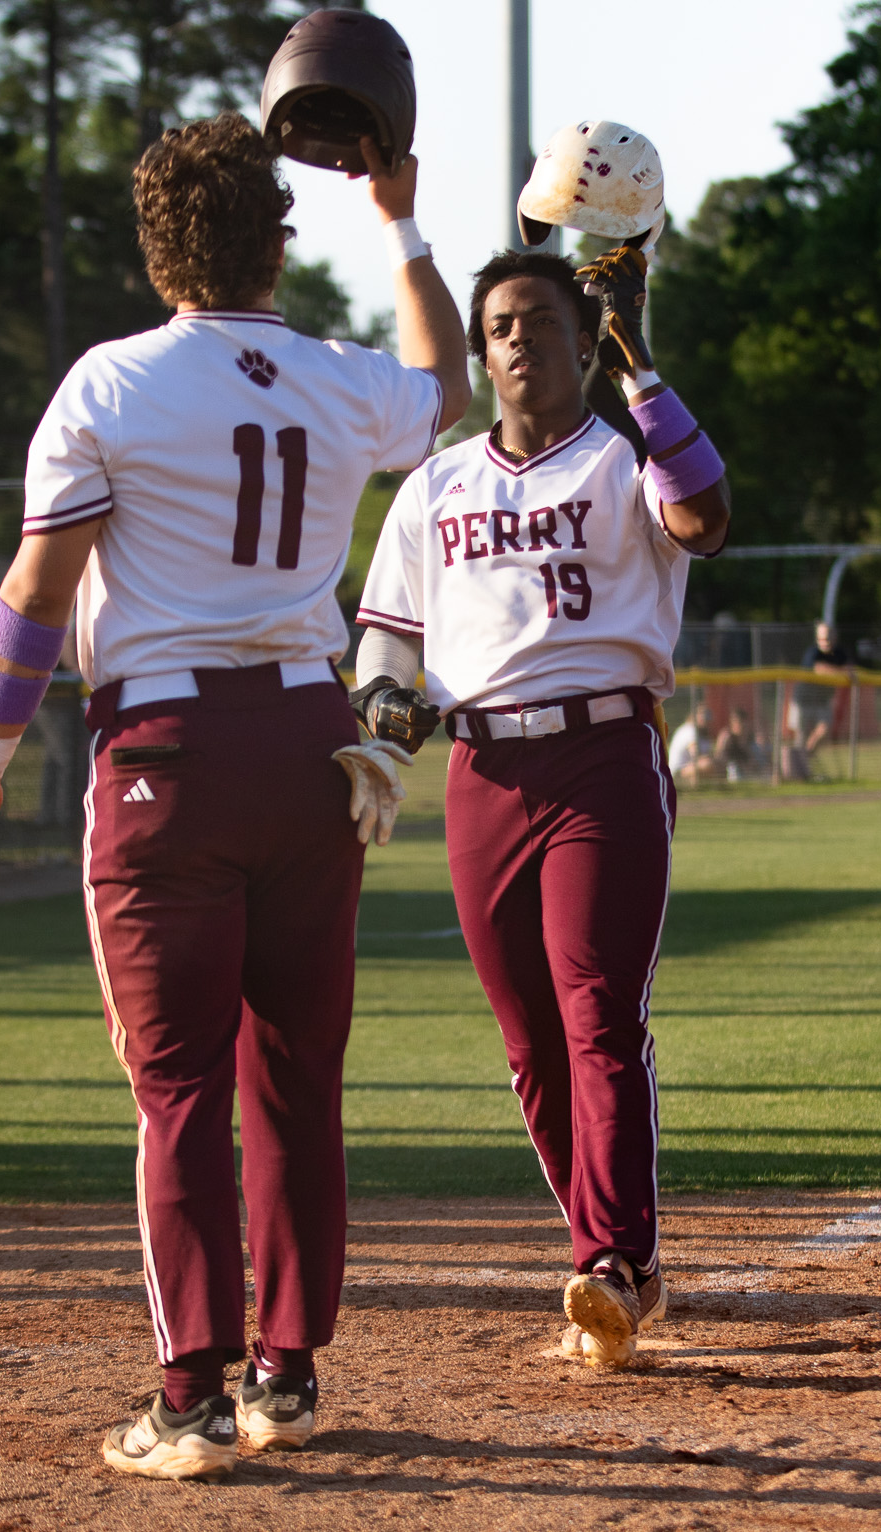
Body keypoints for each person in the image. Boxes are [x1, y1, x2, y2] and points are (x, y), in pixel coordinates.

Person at [0, 113, 468, 1477]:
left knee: (177, 1094)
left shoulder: (108, 386)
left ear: (155, 248)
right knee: (297, 1076)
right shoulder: (340, 377)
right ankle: (285, 1374)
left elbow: (37, 598)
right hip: (310, 746)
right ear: (277, 244)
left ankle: (186, 1400)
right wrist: (401, 219)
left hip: (164, 761)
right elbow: (446, 386)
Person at [354, 243, 729, 1369]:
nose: (518, 338)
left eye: (540, 320)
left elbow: (704, 516)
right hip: (482, 776)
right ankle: (617, 1259)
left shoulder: (624, 460)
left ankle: (610, 1257)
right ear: (485, 349)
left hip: (602, 757)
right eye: (501, 324)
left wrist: (642, 367)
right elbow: (387, 642)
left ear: (579, 339)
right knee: (529, 1041)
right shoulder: (436, 486)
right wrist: (382, 719)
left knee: (594, 1011)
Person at [790, 621, 851, 764]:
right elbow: (819, 669)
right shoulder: (813, 652)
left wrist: (846, 672)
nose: (826, 642)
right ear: (817, 639)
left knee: (824, 730)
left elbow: (850, 669)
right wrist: (841, 672)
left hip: (822, 699)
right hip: (803, 700)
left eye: (829, 638)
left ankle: (806, 758)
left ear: (835, 638)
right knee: (801, 737)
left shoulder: (840, 653)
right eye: (822, 639)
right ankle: (797, 768)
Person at [667, 701, 718, 787]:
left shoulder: (703, 734)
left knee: (715, 763)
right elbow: (696, 755)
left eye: (706, 716)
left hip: (689, 767)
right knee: (707, 764)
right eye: (702, 715)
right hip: (678, 772)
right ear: (695, 715)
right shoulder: (690, 730)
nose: (705, 719)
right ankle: (693, 786)